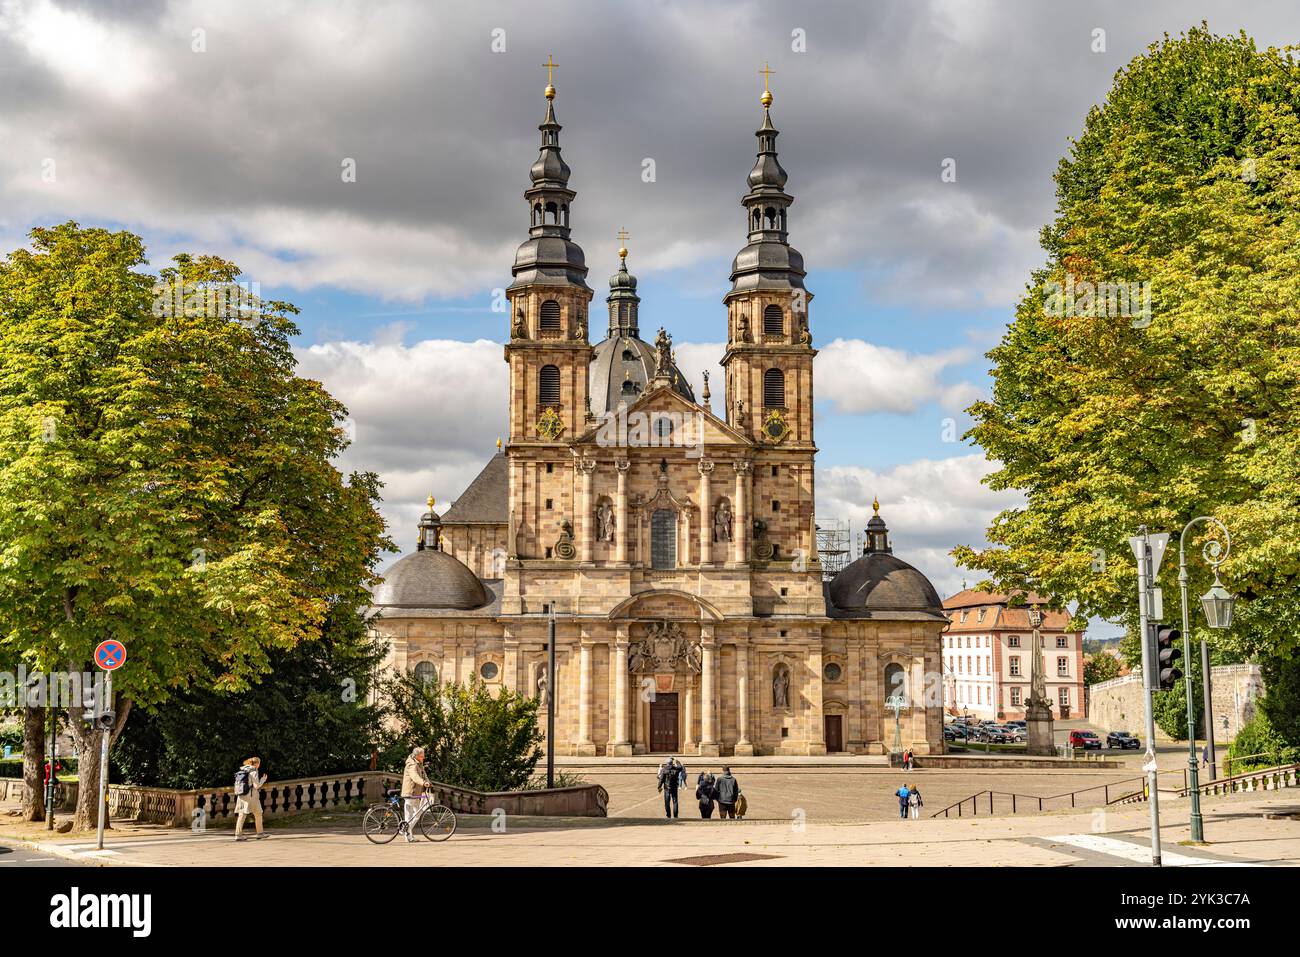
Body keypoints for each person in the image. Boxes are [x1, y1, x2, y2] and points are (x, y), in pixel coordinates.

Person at [401, 746, 432, 843]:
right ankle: (406, 832)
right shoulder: (412, 764)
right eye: (422, 756)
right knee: (411, 815)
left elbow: (424, 774)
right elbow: (414, 776)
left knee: (416, 814)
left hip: (415, 793)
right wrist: (423, 783)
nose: (424, 757)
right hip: (410, 792)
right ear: (417, 756)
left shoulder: (419, 763)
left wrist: (427, 781)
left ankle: (407, 834)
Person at [234, 756, 268, 841]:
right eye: (259, 763)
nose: (259, 765)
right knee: (258, 813)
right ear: (256, 764)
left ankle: (238, 835)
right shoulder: (253, 771)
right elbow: (256, 786)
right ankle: (260, 833)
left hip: (241, 795)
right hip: (252, 797)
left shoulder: (243, 770)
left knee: (242, 815)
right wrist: (263, 780)